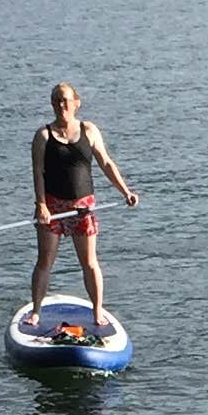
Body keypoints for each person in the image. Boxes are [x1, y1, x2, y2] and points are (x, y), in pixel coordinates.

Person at [29, 82, 138, 319]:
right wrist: (41, 205)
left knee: (89, 262)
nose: (61, 105)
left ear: (76, 103)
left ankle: (97, 311)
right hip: (53, 206)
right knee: (44, 261)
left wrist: (125, 192)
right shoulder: (43, 136)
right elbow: (38, 172)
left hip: (82, 207)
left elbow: (106, 163)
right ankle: (36, 311)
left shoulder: (89, 130)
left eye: (65, 100)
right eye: (56, 100)